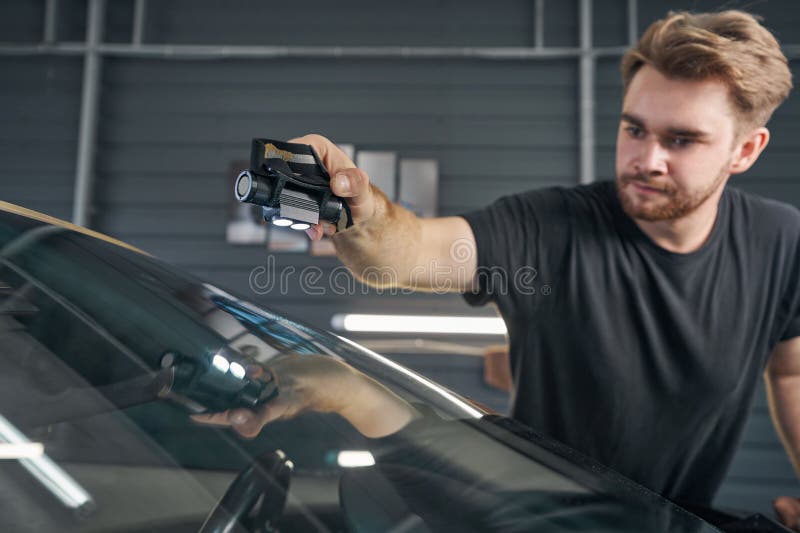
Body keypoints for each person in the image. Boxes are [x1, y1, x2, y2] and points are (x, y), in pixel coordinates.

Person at [205, 9, 800, 530]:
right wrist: (359, 212)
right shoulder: (549, 227)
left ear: (745, 150)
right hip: (533, 519)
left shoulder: (780, 241)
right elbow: (408, 253)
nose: (647, 159)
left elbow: (792, 372)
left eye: (682, 140)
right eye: (634, 129)